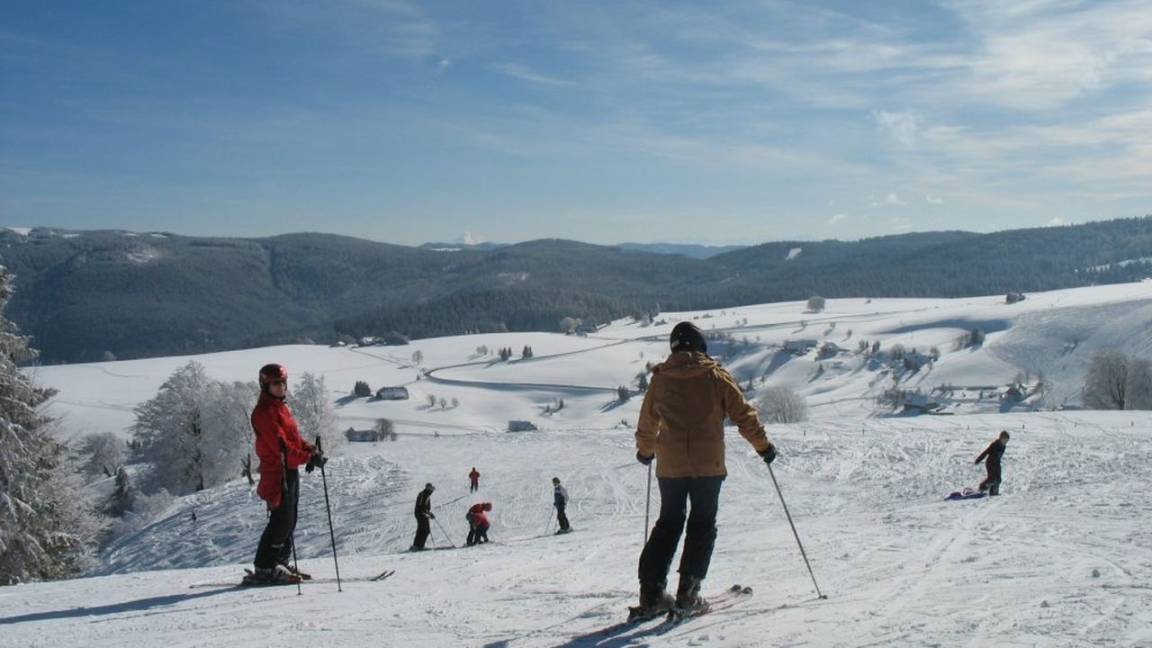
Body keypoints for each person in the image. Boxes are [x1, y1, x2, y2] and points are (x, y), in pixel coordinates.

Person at [634, 322, 777, 614]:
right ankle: (688, 593)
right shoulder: (714, 375)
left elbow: (647, 422)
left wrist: (646, 452)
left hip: (670, 466)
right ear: (700, 345)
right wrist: (763, 447)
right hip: (708, 465)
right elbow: (744, 415)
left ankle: (651, 595)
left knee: (668, 523)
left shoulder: (661, 379)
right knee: (702, 523)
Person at [250, 363, 325, 584]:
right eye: (275, 383)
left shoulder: (281, 408)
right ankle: (265, 566)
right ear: (265, 385)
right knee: (281, 519)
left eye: (283, 382)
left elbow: (293, 440)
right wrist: (308, 457)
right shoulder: (264, 412)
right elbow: (282, 449)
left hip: (289, 470)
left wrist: (309, 448)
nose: (281, 386)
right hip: (276, 472)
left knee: (290, 518)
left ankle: (280, 561)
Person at [975, 431, 1009, 496]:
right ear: (1001, 438)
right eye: (1005, 440)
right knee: (992, 479)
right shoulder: (995, 444)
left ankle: (994, 492)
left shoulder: (1004, 446)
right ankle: (982, 487)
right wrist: (978, 460)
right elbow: (986, 452)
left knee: (998, 479)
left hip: (997, 463)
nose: (1006, 442)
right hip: (990, 463)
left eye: (1007, 441)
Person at [411, 483, 436, 550]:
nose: (432, 491)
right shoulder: (424, 494)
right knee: (424, 530)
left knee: (424, 530)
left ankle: (418, 545)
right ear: (428, 488)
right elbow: (421, 506)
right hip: (420, 514)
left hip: (422, 514)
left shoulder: (426, 494)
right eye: (431, 489)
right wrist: (428, 514)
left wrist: (429, 513)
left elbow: (425, 508)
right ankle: (418, 546)